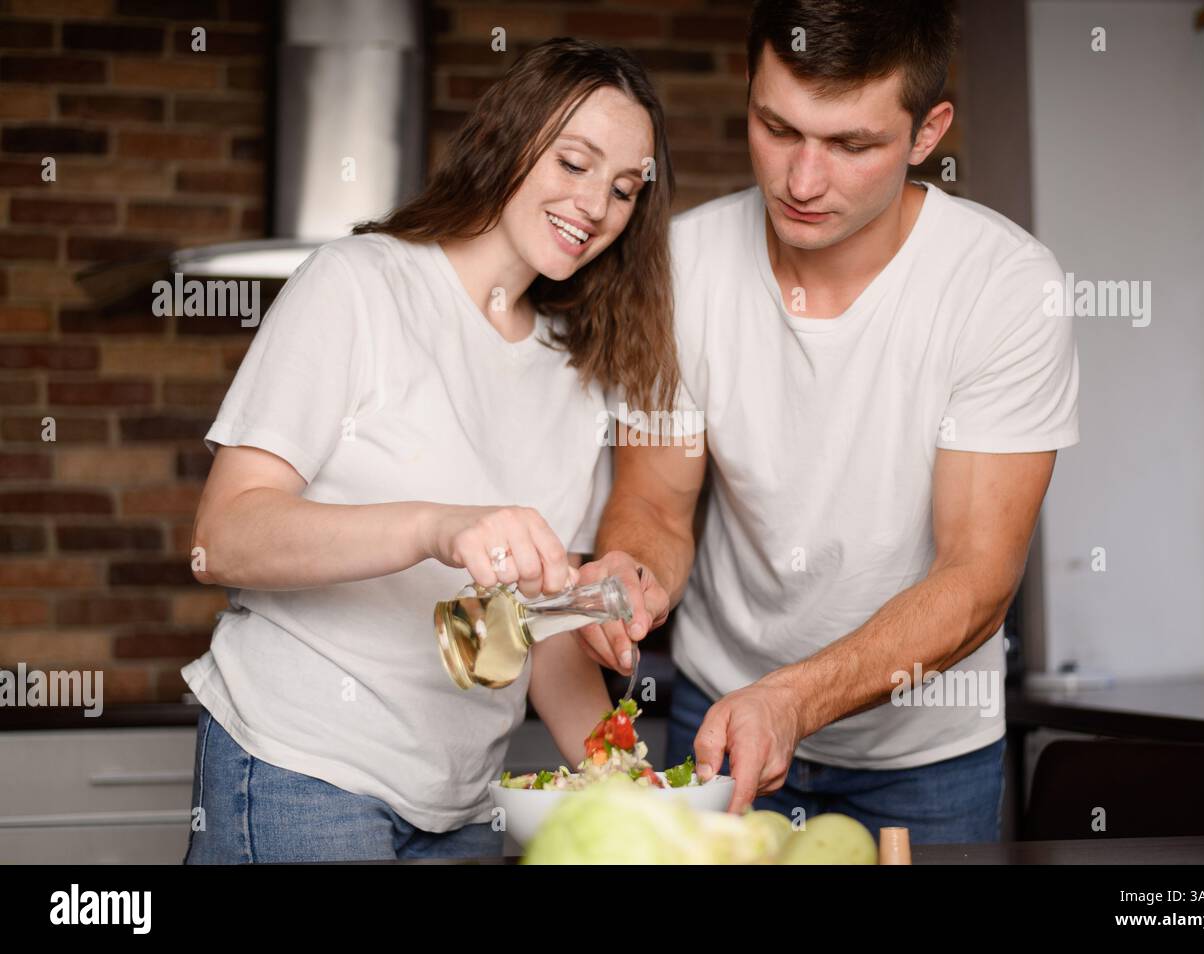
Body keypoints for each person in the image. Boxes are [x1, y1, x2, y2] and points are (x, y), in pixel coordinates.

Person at [576, 0, 1080, 844]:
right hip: (719, 720)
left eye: (852, 145)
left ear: (927, 133)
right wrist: (626, 575)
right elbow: (657, 507)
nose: (801, 182)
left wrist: (793, 699)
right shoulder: (678, 267)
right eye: (778, 128)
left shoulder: (1006, 288)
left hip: (927, 754)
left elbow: (977, 580)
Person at [180, 38, 679, 863]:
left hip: (463, 803)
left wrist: (628, 785)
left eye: (625, 189)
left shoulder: (576, 372)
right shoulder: (360, 285)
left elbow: (540, 631)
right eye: (575, 162)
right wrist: (433, 527)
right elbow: (221, 537)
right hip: (304, 768)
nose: (596, 204)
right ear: (511, 139)